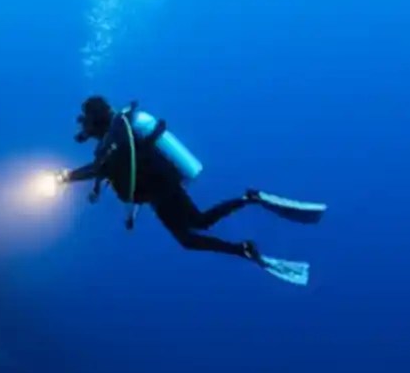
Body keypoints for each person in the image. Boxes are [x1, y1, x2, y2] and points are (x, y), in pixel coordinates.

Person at [54, 95, 327, 285]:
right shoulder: (118, 136)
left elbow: (103, 168)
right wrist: (131, 214)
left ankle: (246, 228)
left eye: (87, 123)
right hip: (159, 190)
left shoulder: (115, 137)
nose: (84, 129)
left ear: (96, 119)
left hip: (161, 190)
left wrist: (67, 177)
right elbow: (124, 170)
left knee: (192, 233)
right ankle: (247, 212)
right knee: (198, 225)